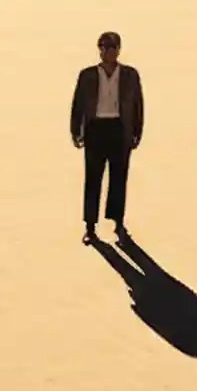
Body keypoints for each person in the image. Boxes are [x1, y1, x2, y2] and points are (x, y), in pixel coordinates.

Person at [71, 31, 144, 245]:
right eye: (104, 48)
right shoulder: (88, 75)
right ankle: (90, 226)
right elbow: (78, 105)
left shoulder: (130, 75)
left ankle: (118, 223)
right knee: (93, 178)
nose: (108, 52)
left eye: (112, 48)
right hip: (95, 129)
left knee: (119, 178)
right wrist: (76, 131)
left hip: (119, 129)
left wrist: (137, 132)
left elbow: (138, 105)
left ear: (119, 50)